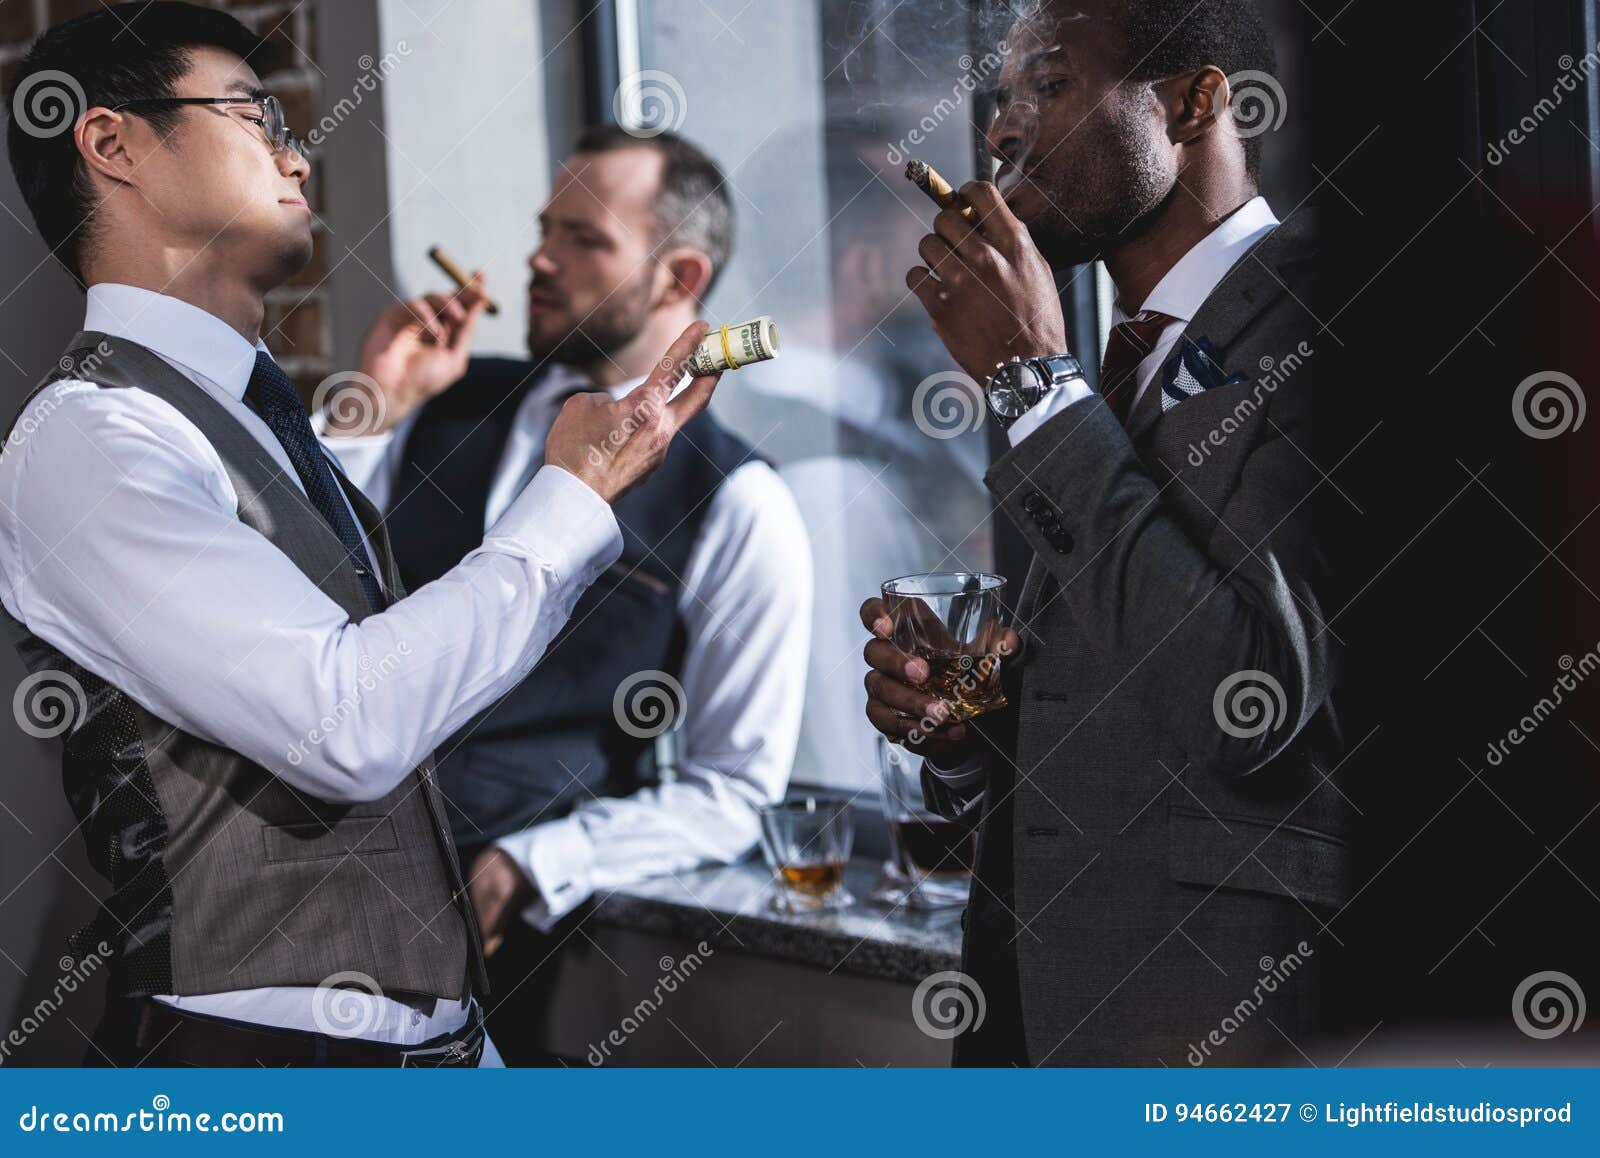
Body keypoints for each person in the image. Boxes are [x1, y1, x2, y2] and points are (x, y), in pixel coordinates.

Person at [0, 2, 721, 1067]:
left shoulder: (250, 418)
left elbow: (290, 587)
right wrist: (574, 490)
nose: (298, 154)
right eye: (252, 115)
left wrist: (366, 418)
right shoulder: (88, 436)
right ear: (112, 144)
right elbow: (342, 722)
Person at [861, 0, 1347, 1066]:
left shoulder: (1336, 330)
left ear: (1194, 100)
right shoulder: (1091, 362)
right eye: (999, 96)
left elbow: (1248, 706)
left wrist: (1037, 390)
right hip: (1038, 1021)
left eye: (1049, 83)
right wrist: (967, 728)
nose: (998, 128)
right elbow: (1126, 679)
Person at [318, 126, 811, 1062]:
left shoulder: (742, 504)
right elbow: (290, 573)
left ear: (680, 279)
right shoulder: (447, 399)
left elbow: (734, 789)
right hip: (308, 890)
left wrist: (539, 862)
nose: (538, 259)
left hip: (505, 968)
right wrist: (372, 403)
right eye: (546, 229)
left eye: (584, 240)